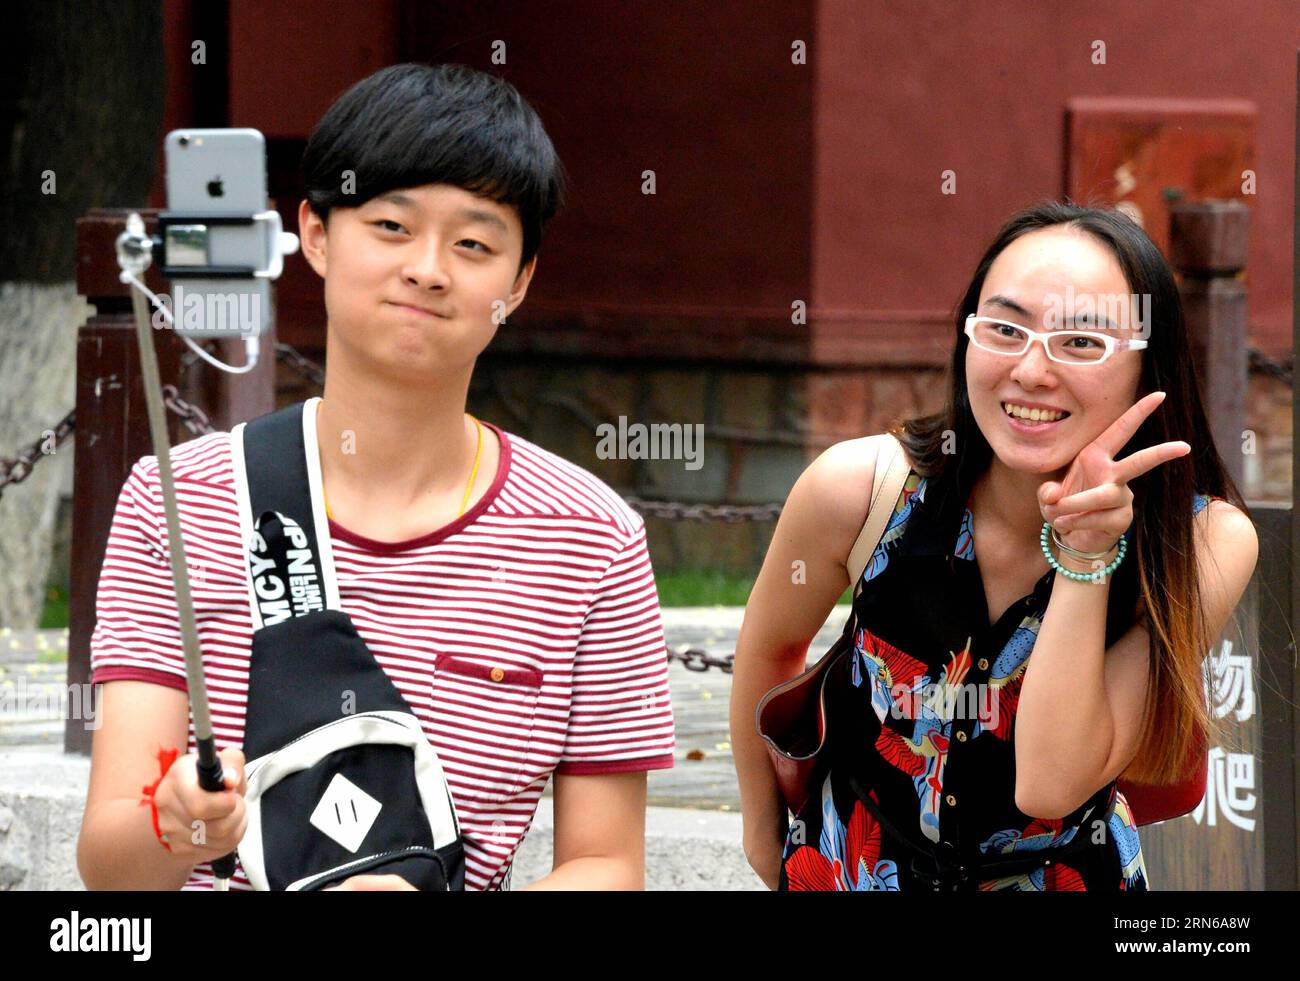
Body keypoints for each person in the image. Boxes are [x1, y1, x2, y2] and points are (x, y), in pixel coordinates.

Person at [77, 63, 676, 891]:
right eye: (391, 226)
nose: (429, 269)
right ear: (316, 234)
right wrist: (173, 823)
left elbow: (607, 864)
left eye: (474, 243)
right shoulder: (175, 500)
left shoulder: (591, 536)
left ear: (520, 281)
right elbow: (112, 871)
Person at [730, 201, 1259, 891]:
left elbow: (1051, 781)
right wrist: (759, 821)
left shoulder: (1202, 541)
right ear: (967, 339)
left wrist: (1087, 556)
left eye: (1081, 342)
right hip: (849, 866)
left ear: (1147, 366)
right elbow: (769, 651)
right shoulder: (860, 491)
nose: (1032, 371)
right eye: (1005, 329)